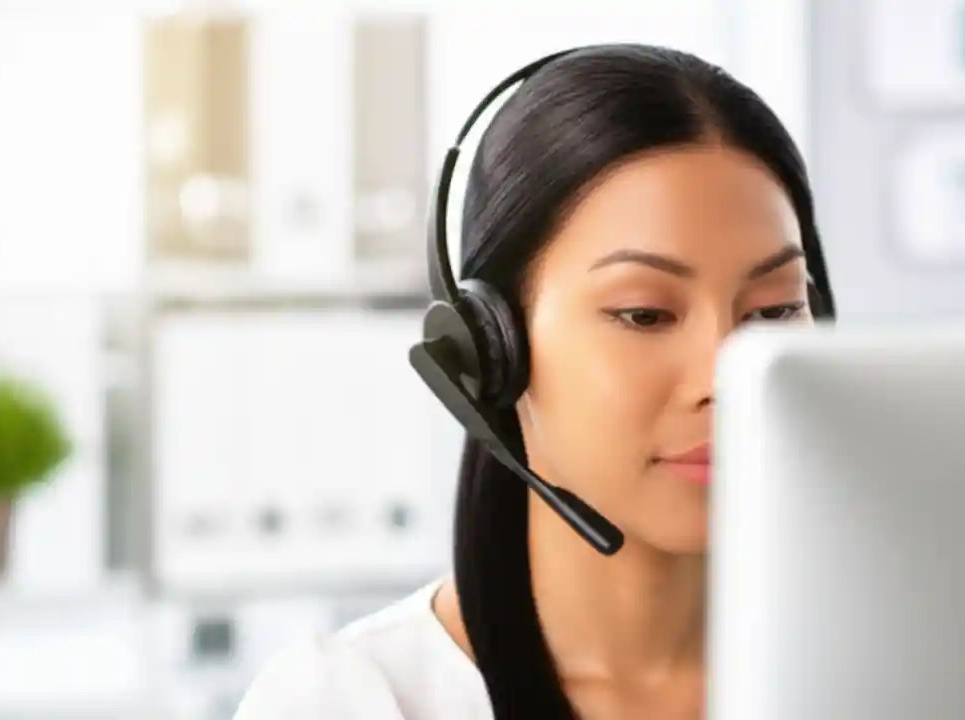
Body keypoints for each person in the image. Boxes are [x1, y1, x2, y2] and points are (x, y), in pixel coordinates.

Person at [233, 43, 834, 720]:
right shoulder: (355, 703)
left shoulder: (882, 665)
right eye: (644, 313)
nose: (725, 378)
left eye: (776, 310)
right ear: (492, 348)